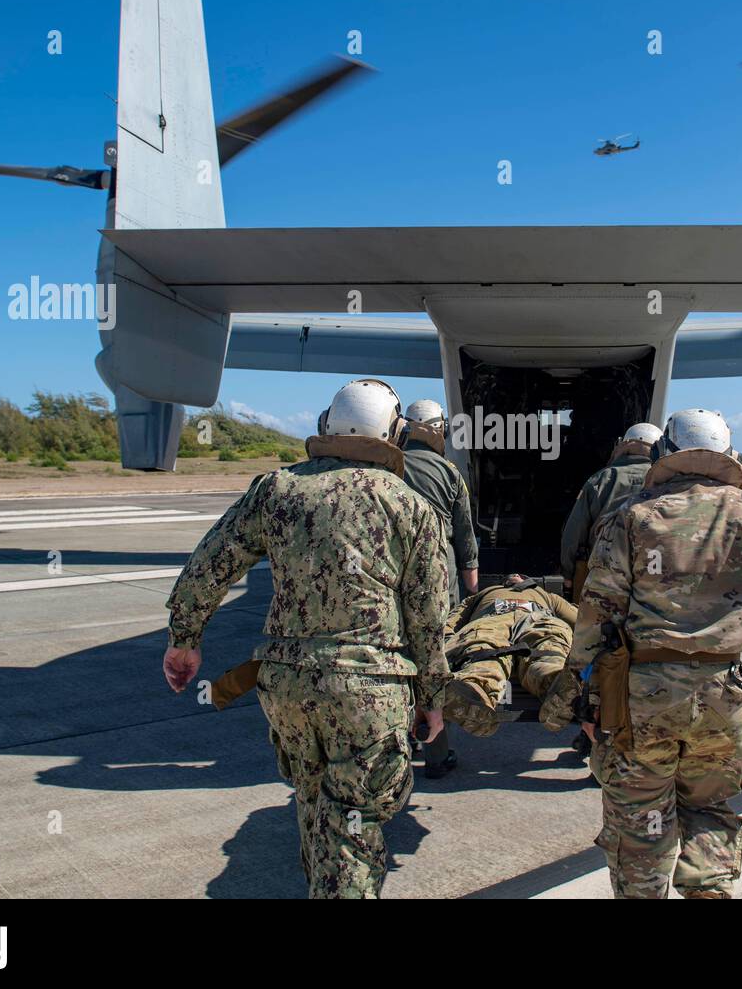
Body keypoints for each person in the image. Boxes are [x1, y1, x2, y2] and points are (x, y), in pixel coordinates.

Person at [162, 378, 450, 899]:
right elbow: (428, 617)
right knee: (352, 828)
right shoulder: (410, 506)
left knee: (315, 809)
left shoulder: (277, 489)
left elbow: (210, 563)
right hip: (367, 690)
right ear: (394, 434)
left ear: (327, 425)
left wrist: (185, 638)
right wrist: (432, 698)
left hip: (286, 688)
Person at [570, 408, 742, 899]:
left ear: (665, 453)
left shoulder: (631, 517)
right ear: (728, 455)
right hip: (723, 694)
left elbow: (597, 614)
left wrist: (583, 700)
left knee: (640, 822)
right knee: (709, 809)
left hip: (642, 699)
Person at [438, 574, 581, 741]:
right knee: (483, 652)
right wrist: (448, 646)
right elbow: (450, 622)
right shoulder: (481, 595)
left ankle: (557, 684)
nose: (514, 574)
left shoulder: (547, 596)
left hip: (538, 619)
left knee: (549, 652)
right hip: (492, 620)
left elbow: (580, 620)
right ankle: (473, 694)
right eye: (510, 575)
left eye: (519, 575)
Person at [559, 423, 662, 601]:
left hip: (603, 578)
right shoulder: (666, 481)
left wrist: (567, 574)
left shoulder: (601, 479)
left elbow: (573, 533)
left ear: (623, 444)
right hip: (651, 578)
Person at [399, 399, 479, 606]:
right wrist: (473, 592)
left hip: (396, 564)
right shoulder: (451, 473)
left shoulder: (387, 465)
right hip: (440, 570)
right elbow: (465, 536)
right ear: (442, 429)